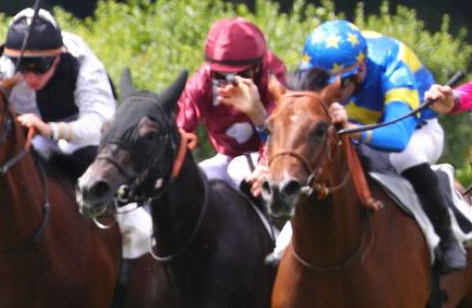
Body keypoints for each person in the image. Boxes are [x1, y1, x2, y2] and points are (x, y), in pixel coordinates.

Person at [299, 19, 464, 272]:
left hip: (416, 133)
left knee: (405, 157)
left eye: (331, 83)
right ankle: (285, 243)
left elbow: (397, 138)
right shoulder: (327, 65)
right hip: (359, 133)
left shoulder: (394, 68)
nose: (324, 90)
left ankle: (447, 238)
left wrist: (350, 131)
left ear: (359, 71)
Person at [0, 7, 116, 172]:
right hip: (36, 137)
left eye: (40, 68)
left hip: (81, 136)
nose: (31, 78)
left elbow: (101, 126)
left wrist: (51, 130)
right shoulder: (4, 65)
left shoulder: (81, 62)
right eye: (23, 68)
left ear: (57, 58)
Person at [177, 17, 288, 188]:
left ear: (257, 67)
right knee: (200, 177)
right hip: (226, 156)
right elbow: (178, 128)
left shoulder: (273, 76)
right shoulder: (204, 80)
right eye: (222, 76)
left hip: (273, 158)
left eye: (242, 75)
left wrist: (258, 114)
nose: (230, 83)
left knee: (239, 169)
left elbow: (285, 138)